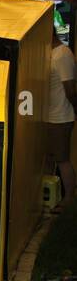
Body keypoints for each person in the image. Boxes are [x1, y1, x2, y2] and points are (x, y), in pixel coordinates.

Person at [46, 26, 77, 201]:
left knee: (62, 159)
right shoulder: (49, 53)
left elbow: (70, 90)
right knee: (49, 160)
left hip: (60, 117)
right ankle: (53, 199)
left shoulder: (62, 54)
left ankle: (69, 200)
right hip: (48, 117)